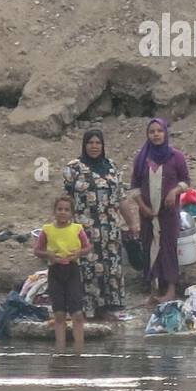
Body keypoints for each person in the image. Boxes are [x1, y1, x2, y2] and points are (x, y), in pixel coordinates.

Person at [63, 129, 131, 320]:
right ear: (84, 145)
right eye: (90, 143)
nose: (94, 146)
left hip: (109, 229)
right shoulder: (74, 168)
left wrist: (132, 224)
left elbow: (121, 198)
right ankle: (87, 309)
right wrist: (64, 226)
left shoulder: (111, 167)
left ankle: (107, 309)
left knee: (110, 267)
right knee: (88, 268)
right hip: (85, 229)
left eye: (97, 143)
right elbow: (66, 199)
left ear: (103, 145)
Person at [129, 118, 191, 304]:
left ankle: (171, 288)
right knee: (149, 246)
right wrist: (143, 206)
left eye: (159, 131)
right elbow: (134, 187)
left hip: (168, 214)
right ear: (148, 135)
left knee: (168, 247)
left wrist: (174, 191)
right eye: (152, 132)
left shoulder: (176, 157)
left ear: (165, 133)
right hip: (148, 214)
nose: (156, 134)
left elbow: (186, 182)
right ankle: (154, 288)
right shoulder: (142, 158)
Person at [33, 195, 92, 352]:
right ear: (54, 211)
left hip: (72, 270)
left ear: (72, 213)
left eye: (66, 210)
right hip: (55, 271)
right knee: (59, 314)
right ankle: (60, 350)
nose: (63, 212)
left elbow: (87, 247)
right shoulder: (47, 230)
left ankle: (79, 349)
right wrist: (50, 256)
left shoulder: (77, 229)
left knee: (77, 313)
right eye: (60, 209)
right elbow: (37, 250)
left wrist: (78, 253)